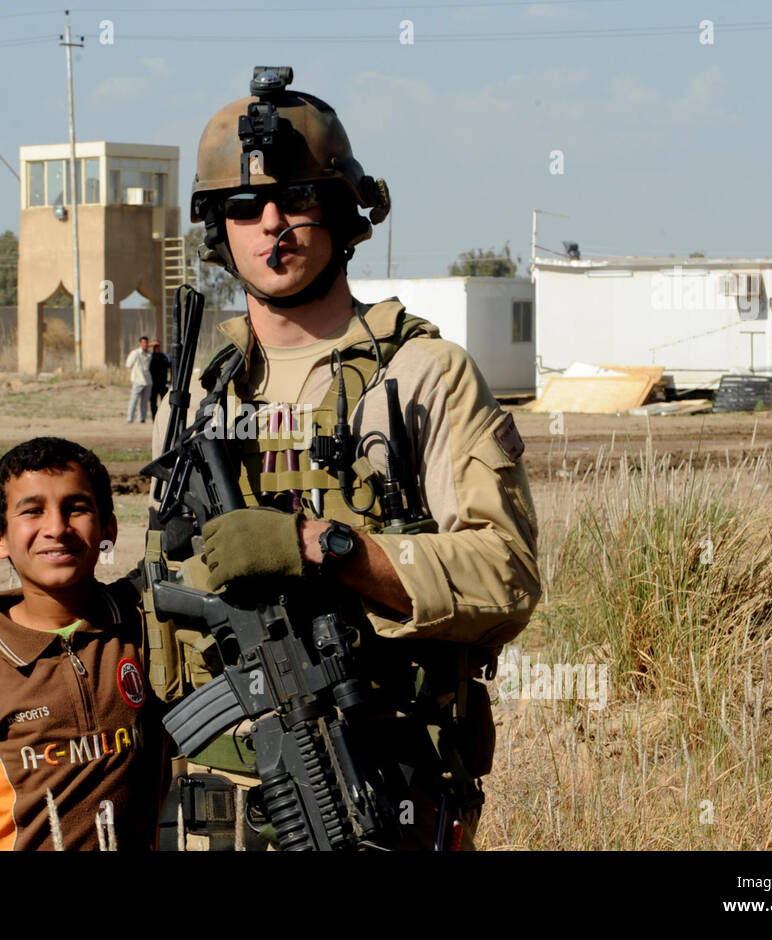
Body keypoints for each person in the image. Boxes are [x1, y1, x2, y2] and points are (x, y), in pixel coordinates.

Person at [142, 66, 541, 850]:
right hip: (212, 803)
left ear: (344, 213)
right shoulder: (193, 391)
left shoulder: (423, 373)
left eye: (298, 199)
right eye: (244, 206)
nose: (272, 224)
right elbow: (161, 578)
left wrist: (319, 548)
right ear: (218, 230)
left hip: (377, 784)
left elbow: (507, 573)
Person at [0, 437, 164, 851]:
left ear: (109, 531)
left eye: (76, 508)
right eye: (33, 511)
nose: (56, 528)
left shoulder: (142, 626)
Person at [124, 336, 152, 423]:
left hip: (148, 381)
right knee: (134, 400)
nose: (145, 344)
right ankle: (130, 418)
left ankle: (142, 418)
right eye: (143, 343)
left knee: (144, 402)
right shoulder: (135, 353)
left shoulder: (149, 354)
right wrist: (133, 377)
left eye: (146, 343)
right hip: (138, 380)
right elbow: (128, 365)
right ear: (140, 343)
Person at [148, 339, 171, 420]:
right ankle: (154, 418)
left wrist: (171, 379)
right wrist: (150, 345)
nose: (156, 347)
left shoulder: (165, 356)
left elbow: (171, 368)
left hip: (163, 383)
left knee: (164, 402)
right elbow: (142, 349)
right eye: (154, 346)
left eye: (157, 346)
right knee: (153, 402)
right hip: (152, 383)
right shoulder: (149, 356)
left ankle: (163, 417)